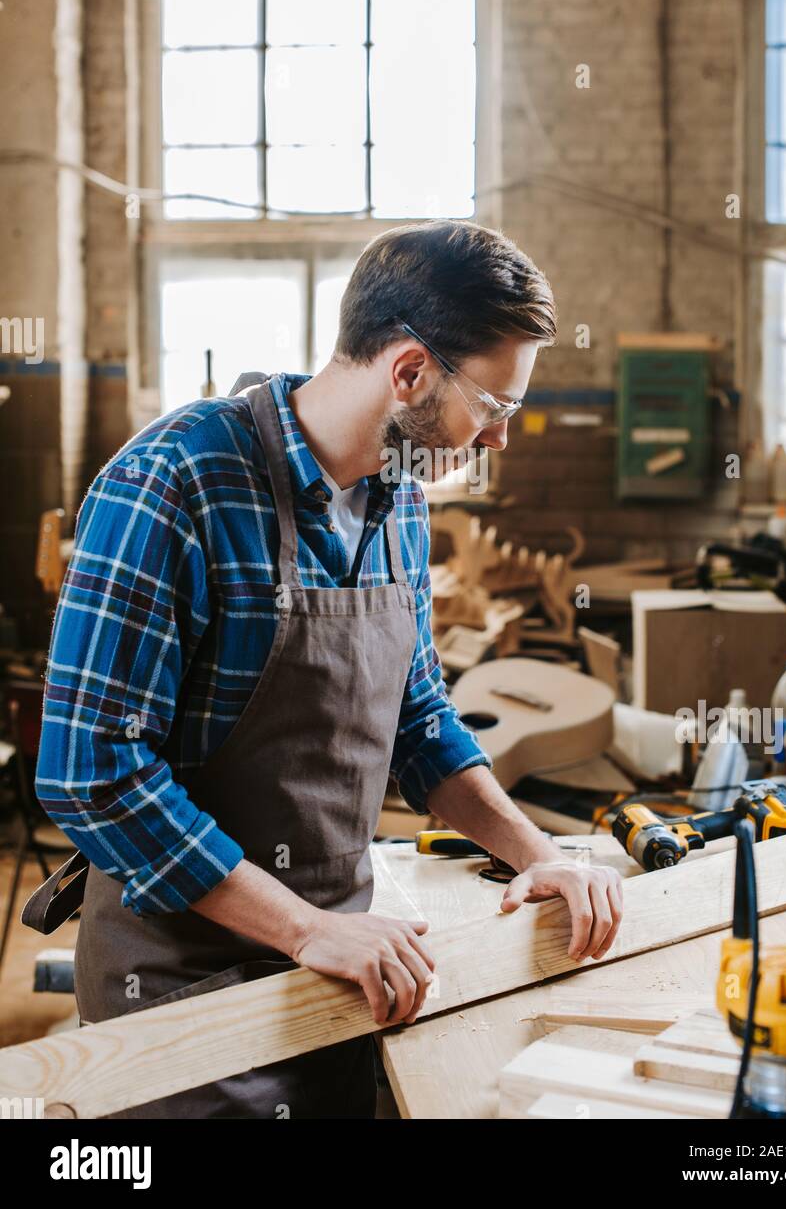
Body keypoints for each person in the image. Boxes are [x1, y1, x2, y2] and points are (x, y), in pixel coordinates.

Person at [26, 219, 623, 1118]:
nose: (500, 440)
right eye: (494, 410)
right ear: (411, 371)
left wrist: (541, 856)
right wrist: (305, 930)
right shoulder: (176, 479)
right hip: (184, 991)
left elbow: (418, 723)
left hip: (350, 969)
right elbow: (91, 774)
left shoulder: (401, 501)